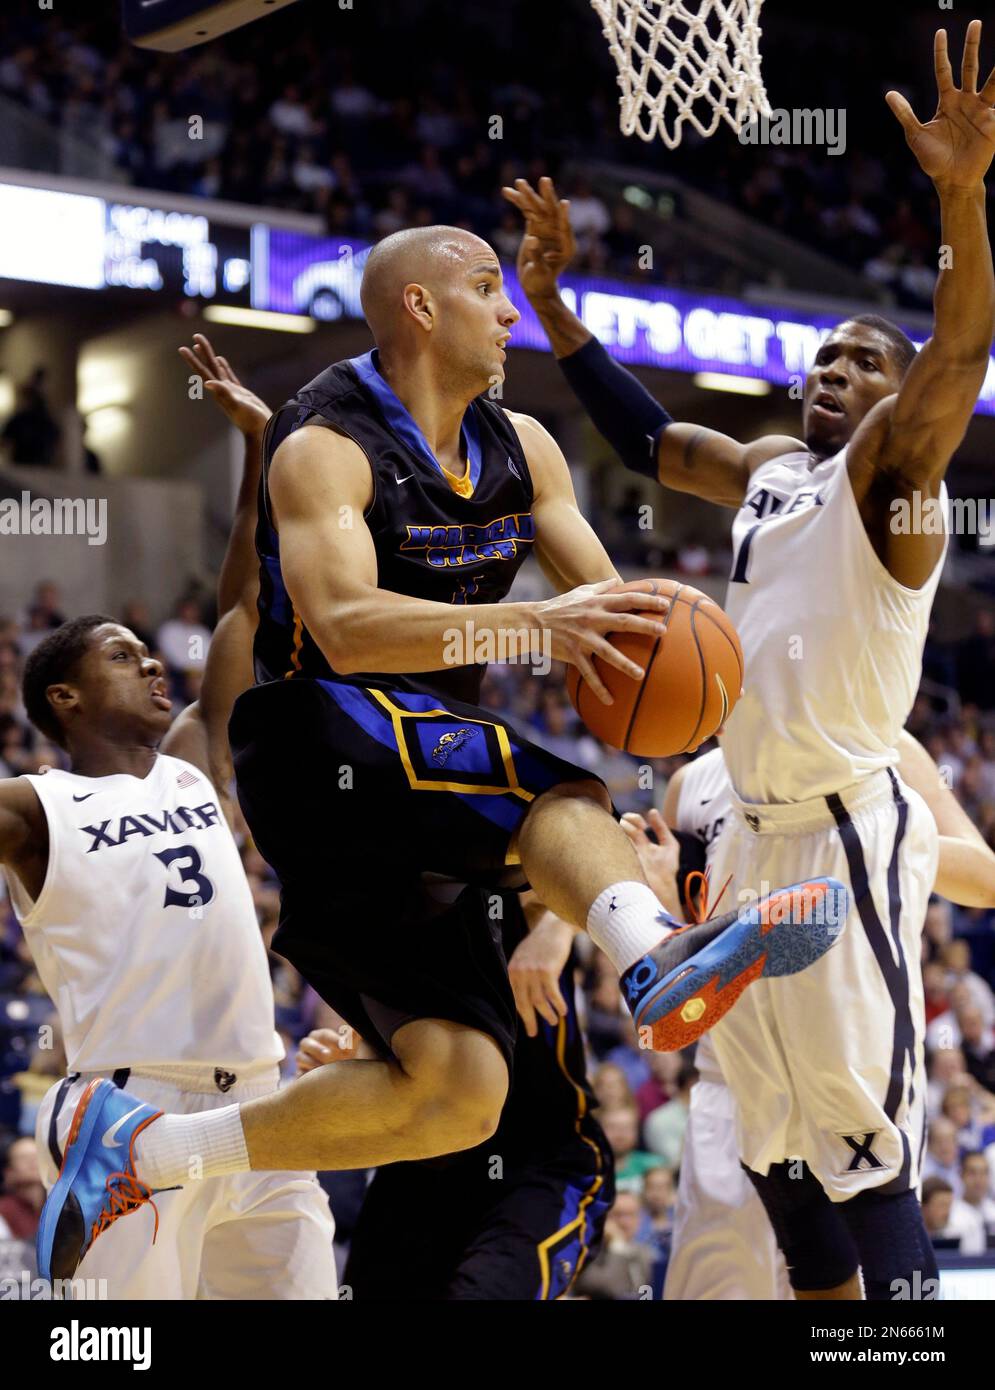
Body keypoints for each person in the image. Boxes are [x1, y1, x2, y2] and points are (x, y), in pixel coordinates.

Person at [38, 223, 842, 1281]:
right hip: (315, 733)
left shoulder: (527, 449)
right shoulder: (324, 438)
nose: (508, 312)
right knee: (558, 788)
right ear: (419, 307)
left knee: (458, 1091)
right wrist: (536, 628)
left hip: (422, 795)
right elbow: (341, 625)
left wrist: (664, 673)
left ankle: (147, 1151)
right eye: (485, 287)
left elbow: (616, 617)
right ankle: (651, 955)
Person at [507, 21, 995, 1300]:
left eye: (860, 362)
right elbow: (655, 439)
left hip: (840, 826)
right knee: (772, 1141)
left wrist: (957, 195)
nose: (835, 372)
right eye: (822, 359)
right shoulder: (770, 470)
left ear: (892, 402)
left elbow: (957, 356)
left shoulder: (890, 481)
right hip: (742, 832)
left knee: (857, 1142)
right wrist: (550, 309)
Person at [0, 337, 337, 1298]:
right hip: (129, 1114)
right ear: (63, 699)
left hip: (265, 1116)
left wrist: (260, 456)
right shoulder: (37, 807)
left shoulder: (193, 765)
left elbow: (240, 610)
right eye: (121, 655)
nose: (153, 663)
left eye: (149, 652)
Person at [628, 729, 995, 1299]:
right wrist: (658, 903)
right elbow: (685, 948)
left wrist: (878, 832)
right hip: (731, 1072)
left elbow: (986, 877)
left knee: (869, 1241)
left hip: (849, 1048)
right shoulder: (692, 782)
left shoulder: (877, 747)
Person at [302, 890, 614, 1301]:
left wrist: (560, 928)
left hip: (542, 1160)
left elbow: (618, 847)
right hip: (421, 1167)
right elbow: (381, 1053)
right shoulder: (374, 915)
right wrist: (347, 1066)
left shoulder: (504, 880)